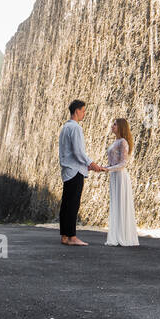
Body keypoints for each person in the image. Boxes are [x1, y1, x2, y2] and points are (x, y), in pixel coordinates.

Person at [58, 100, 106, 245]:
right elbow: (79, 152)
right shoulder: (76, 128)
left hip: (67, 170)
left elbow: (68, 152)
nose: (84, 114)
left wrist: (88, 166)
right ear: (77, 111)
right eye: (83, 111)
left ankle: (64, 236)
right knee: (73, 204)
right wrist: (92, 163)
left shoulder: (65, 128)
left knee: (66, 204)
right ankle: (72, 237)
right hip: (75, 172)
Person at [102, 117, 138, 247]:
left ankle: (123, 236)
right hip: (114, 176)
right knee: (116, 204)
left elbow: (123, 163)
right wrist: (104, 168)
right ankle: (117, 235)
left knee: (121, 204)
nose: (112, 126)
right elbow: (112, 161)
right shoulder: (116, 142)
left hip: (120, 176)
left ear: (121, 127)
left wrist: (107, 169)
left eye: (115, 124)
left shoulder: (123, 142)